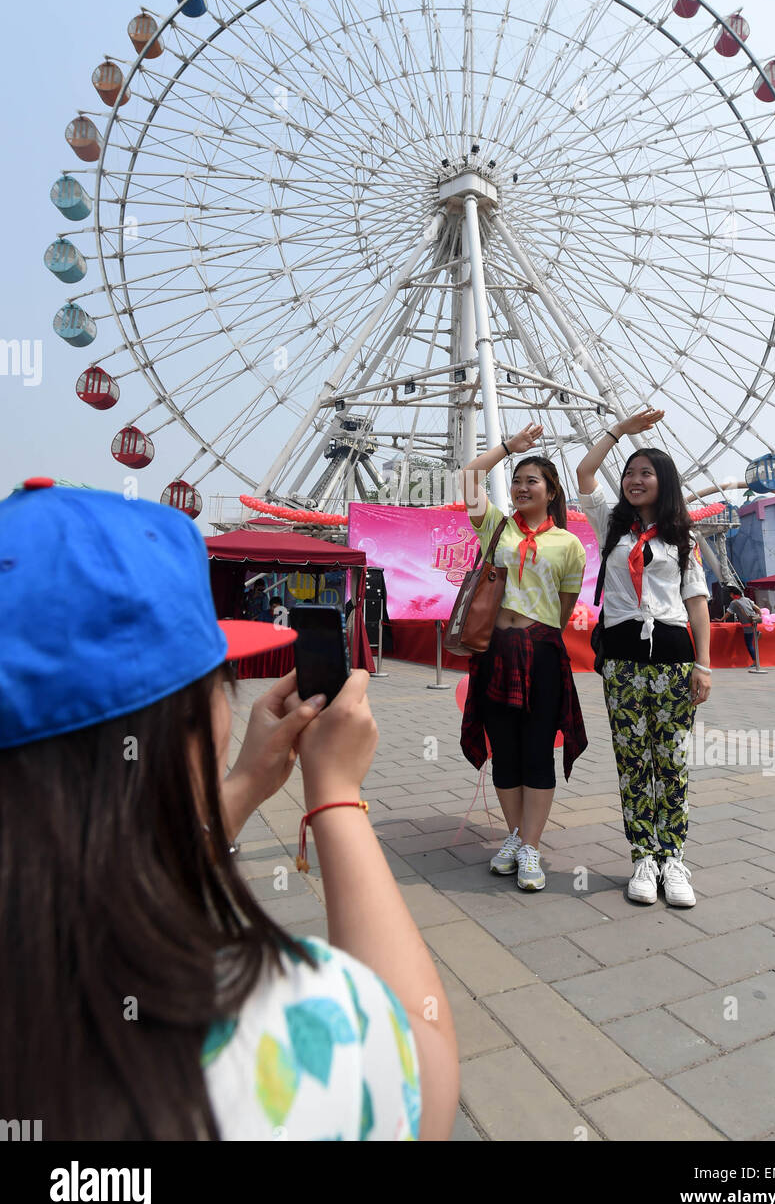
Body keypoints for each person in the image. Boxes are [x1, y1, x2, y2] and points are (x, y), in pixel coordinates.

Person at [0, 480, 459, 1140]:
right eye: (224, 682)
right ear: (192, 722)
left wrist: (243, 785)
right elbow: (420, 1071)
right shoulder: (284, 1033)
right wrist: (333, 795)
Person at [576, 408, 711, 908]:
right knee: (633, 762)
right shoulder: (611, 527)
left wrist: (704, 665)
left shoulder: (684, 539)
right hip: (623, 660)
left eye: (645, 473)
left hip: (674, 658)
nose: (634, 481)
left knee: (671, 762)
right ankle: (642, 858)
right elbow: (585, 474)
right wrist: (620, 432)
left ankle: (673, 857)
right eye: (630, 474)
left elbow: (696, 603)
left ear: (665, 482)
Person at [458, 423, 588, 892]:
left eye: (532, 480)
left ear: (551, 491)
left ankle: (531, 845)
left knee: (537, 751)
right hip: (495, 651)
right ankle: (513, 837)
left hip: (541, 653)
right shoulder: (496, 526)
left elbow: (564, 607)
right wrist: (510, 448)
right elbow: (469, 478)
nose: (521, 487)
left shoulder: (569, 545)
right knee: (504, 751)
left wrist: (538, 633)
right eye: (516, 480)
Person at [723, 589, 762, 665]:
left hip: (747, 626)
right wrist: (759, 617)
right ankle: (756, 633)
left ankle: (755, 662)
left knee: (749, 644)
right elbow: (757, 609)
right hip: (754, 622)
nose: (730, 596)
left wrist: (721, 619)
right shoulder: (747, 599)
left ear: (733, 594)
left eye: (730, 594)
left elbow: (728, 613)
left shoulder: (734, 602)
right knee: (751, 640)